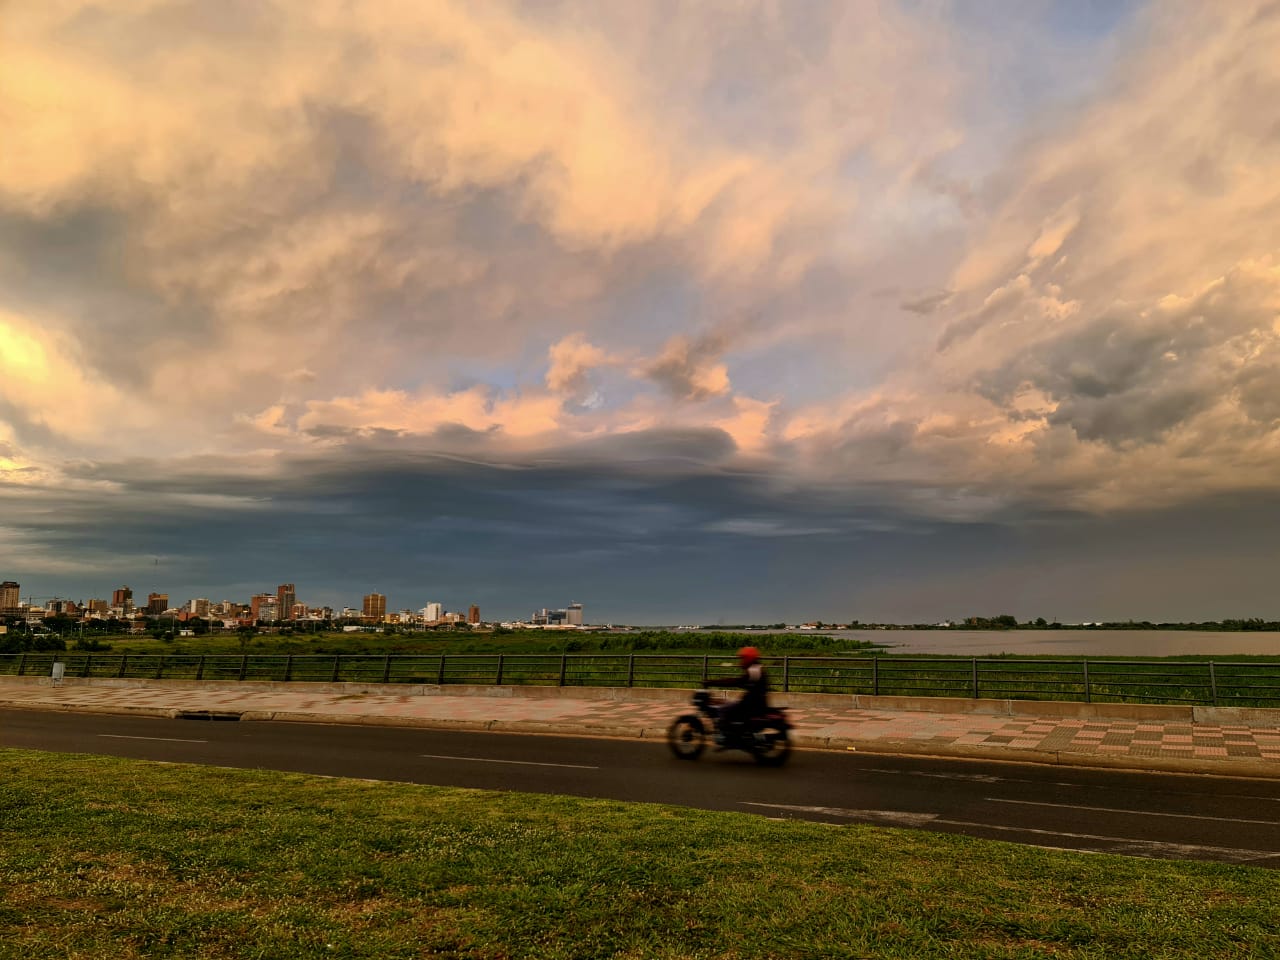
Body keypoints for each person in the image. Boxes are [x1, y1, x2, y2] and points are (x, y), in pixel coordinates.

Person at [706, 646, 770, 744]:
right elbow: (741, 682)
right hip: (754, 702)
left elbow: (737, 681)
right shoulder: (757, 668)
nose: (741, 661)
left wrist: (713, 682)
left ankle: (725, 735)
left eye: (743, 658)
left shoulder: (753, 671)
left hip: (751, 704)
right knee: (728, 705)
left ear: (749, 658)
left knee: (723, 709)